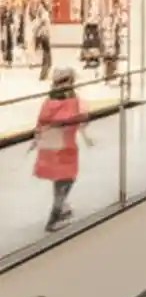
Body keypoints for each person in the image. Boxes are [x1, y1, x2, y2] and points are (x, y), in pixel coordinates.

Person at [31, 67, 91, 232]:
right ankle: (54, 217)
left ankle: (62, 207)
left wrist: (37, 138)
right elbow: (78, 118)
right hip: (64, 146)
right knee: (67, 178)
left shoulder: (49, 100)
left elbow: (41, 121)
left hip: (49, 145)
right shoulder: (71, 100)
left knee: (59, 179)